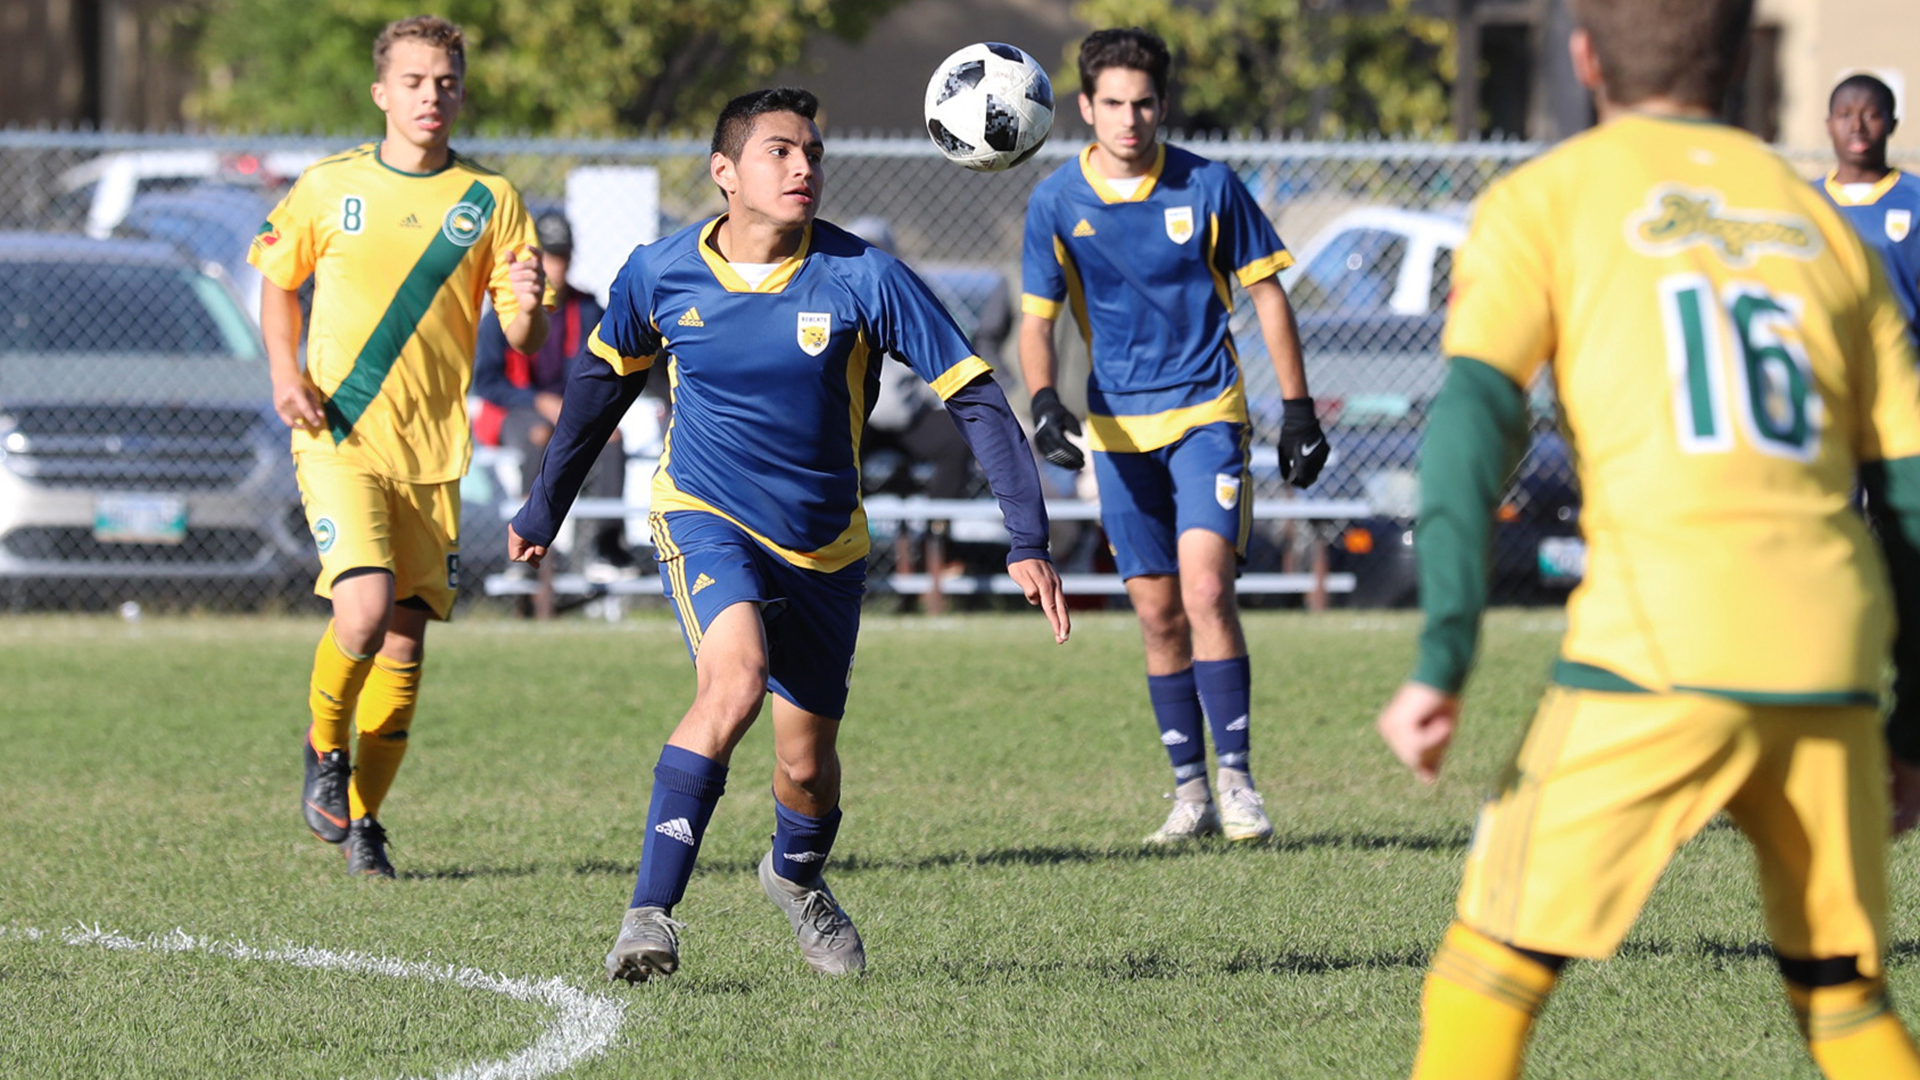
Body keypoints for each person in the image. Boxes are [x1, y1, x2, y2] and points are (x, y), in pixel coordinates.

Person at [1373, 1, 1920, 1076]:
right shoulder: (1818, 226)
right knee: (1844, 1001)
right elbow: (1907, 491)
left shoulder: (1548, 198)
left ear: (1584, 60)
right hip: (1830, 653)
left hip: (1660, 648)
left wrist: (1443, 652)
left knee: (1482, 982)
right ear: (1734, 66)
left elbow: (1474, 424)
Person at [506, 87, 1070, 982]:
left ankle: (796, 878)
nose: (804, 166)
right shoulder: (661, 272)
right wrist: (545, 507)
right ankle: (648, 918)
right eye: (780, 151)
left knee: (806, 771)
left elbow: (974, 394)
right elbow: (597, 389)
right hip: (704, 514)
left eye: (812, 151)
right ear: (725, 173)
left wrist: (1027, 536)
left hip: (826, 547)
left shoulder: (863, 276)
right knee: (733, 684)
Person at [249, 14, 550, 878]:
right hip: (338, 435)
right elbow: (276, 282)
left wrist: (526, 297)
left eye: (446, 81)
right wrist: (283, 370)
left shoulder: (490, 199)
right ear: (383, 92)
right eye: (415, 81)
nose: (432, 95)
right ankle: (323, 747)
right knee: (366, 611)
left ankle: (366, 822)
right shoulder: (327, 186)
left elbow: (524, 338)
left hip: (433, 454)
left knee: (407, 648)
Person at [1018, 28, 1330, 845]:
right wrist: (1045, 400)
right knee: (1157, 616)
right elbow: (1036, 319)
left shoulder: (1211, 186)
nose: (1130, 119)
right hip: (1117, 431)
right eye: (1113, 103)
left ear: (1164, 104)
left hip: (1205, 415)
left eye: (1145, 102)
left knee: (1204, 592)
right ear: (1086, 107)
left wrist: (1296, 409)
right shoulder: (1056, 200)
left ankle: (1238, 782)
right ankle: (1188, 792)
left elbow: (1267, 296)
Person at [473, 209, 638, 580]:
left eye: (561, 256)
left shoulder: (587, 307)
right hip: (515, 411)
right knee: (539, 434)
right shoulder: (504, 310)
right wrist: (536, 402)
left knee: (612, 436)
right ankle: (525, 550)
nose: (555, 266)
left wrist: (569, 408)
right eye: (547, 256)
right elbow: (487, 381)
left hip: (571, 409)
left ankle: (605, 547)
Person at [1816, 72, 1920, 352]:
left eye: (1871, 115)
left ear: (1892, 124)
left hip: (1904, 362)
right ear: (1829, 125)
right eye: (1845, 115)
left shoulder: (1915, 197)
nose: (1857, 126)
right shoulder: (1807, 201)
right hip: (1831, 361)